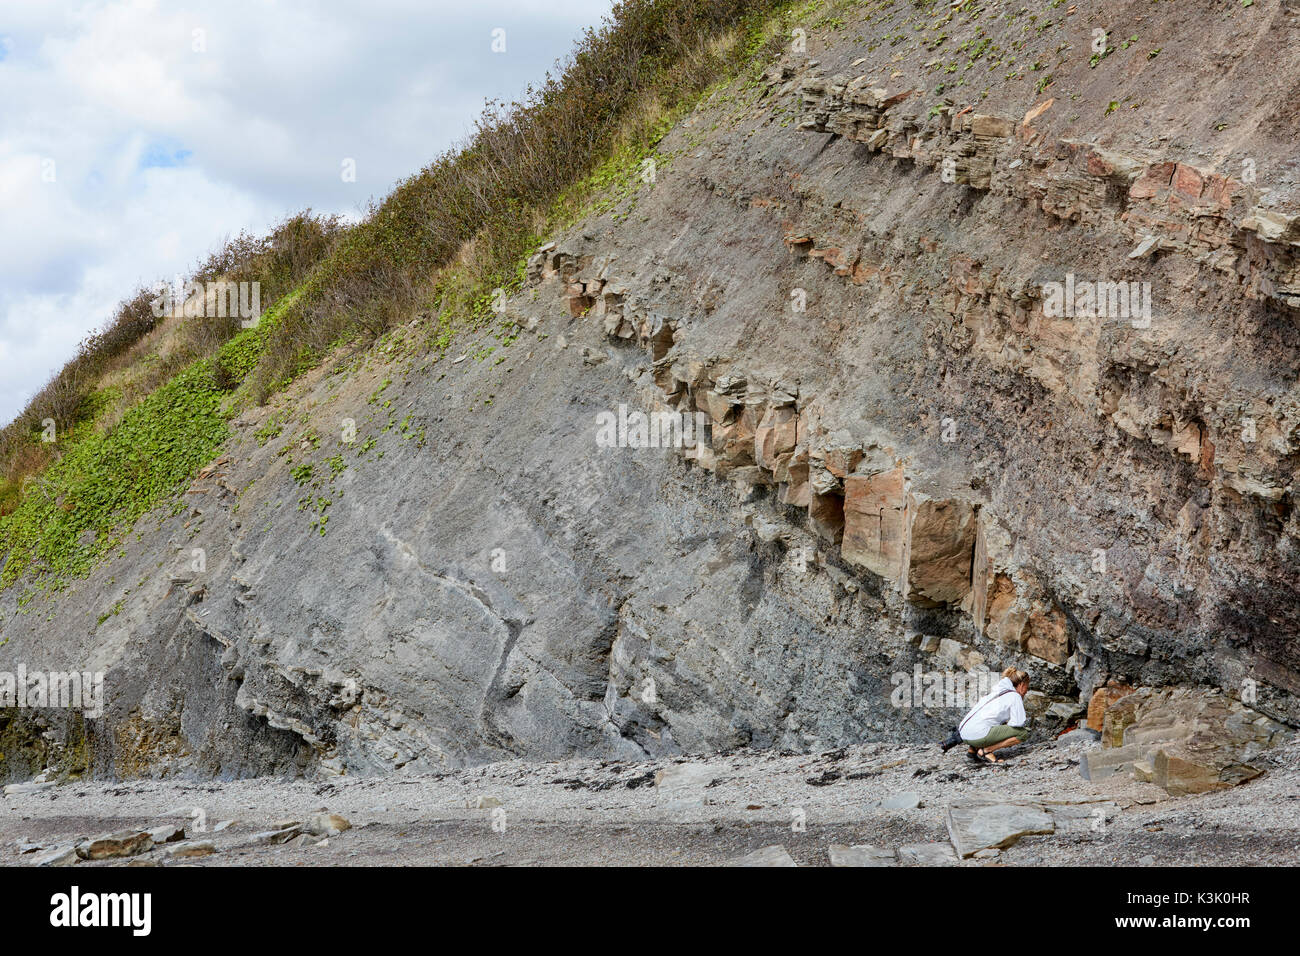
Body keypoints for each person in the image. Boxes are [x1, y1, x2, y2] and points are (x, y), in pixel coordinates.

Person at [957, 666, 1030, 763]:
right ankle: (986, 751)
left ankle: (972, 750)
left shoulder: (997, 692)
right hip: (976, 735)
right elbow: (1018, 723)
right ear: (1021, 685)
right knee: (1023, 733)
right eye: (1026, 686)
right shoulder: (1014, 696)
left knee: (990, 724)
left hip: (964, 733)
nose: (1027, 690)